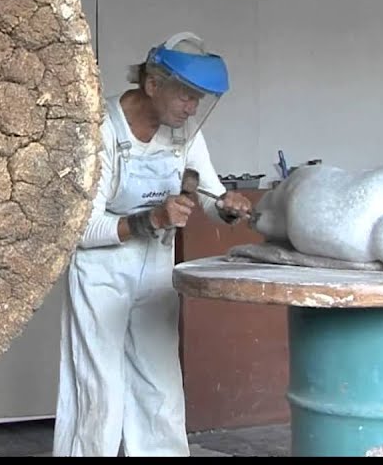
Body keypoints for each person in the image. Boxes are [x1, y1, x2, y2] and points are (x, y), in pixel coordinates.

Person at [53, 32, 253, 457]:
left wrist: (229, 208)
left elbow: (210, 195)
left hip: (156, 268)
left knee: (160, 385)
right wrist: (151, 220)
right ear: (152, 84)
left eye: (198, 99)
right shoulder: (100, 132)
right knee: (99, 390)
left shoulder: (184, 134)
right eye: (185, 95)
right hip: (101, 271)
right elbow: (81, 230)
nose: (191, 107)